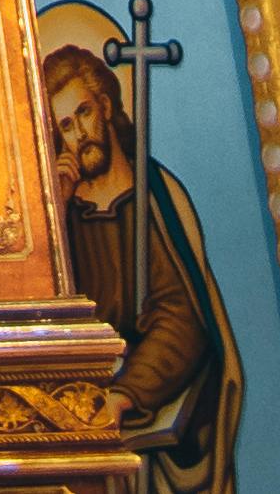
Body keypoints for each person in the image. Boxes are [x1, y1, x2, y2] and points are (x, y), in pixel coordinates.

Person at [42, 41, 241, 494]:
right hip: (90, 402)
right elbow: (52, 321)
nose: (80, 134)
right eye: (66, 126)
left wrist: (127, 393)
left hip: (160, 405)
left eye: (85, 113)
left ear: (106, 106)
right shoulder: (65, 216)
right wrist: (56, 211)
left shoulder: (156, 197)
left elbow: (183, 315)